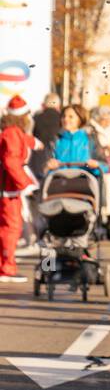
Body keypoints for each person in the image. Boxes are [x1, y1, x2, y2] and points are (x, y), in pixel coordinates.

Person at [0, 95, 38, 283]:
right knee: (11, 227)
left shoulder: (10, 131)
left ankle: (5, 265)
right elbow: (11, 160)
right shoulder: (13, 132)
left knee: (7, 227)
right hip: (8, 187)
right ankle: (7, 268)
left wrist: (33, 142)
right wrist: (25, 184)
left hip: (7, 186)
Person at [88, 105, 110, 231]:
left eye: (108, 118)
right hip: (99, 163)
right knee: (101, 191)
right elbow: (93, 148)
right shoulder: (93, 130)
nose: (106, 121)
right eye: (103, 118)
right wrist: (105, 148)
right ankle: (101, 220)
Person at [50, 104, 102, 171]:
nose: (65, 119)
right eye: (63, 116)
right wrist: (50, 164)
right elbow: (43, 166)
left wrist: (97, 165)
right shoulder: (56, 139)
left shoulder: (90, 139)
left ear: (80, 119)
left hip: (85, 180)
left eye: (70, 117)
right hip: (60, 180)